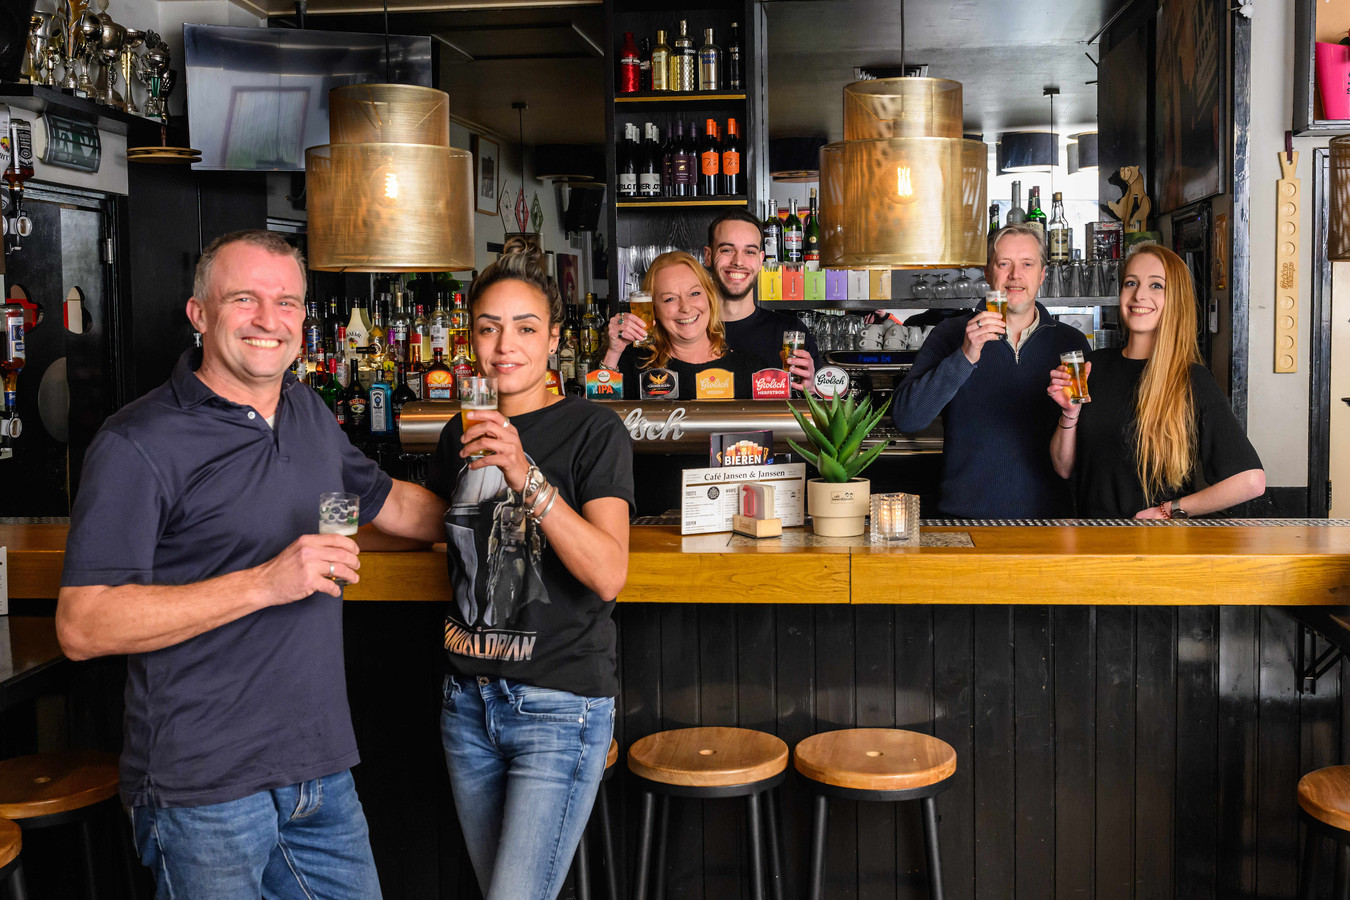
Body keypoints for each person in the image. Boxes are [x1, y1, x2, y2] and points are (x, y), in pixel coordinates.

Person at [56, 230, 449, 897]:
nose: (270, 320)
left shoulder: (306, 413)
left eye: (288, 302)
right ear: (199, 313)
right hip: (204, 790)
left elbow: (387, 509)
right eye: (245, 299)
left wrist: (502, 507)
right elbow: (84, 625)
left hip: (320, 774)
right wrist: (266, 582)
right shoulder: (137, 442)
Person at [425, 237, 634, 900]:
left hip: (558, 703)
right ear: (471, 341)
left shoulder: (595, 431)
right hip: (466, 703)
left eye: (524, 328)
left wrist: (523, 471)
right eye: (488, 328)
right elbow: (435, 523)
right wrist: (326, 506)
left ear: (553, 341)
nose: (504, 344)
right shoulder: (457, 432)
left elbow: (607, 572)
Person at [1048, 244, 1264, 518]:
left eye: (1156, 286)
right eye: (1131, 283)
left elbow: (1250, 481)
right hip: (1092, 541)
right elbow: (1063, 467)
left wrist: (1169, 511)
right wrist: (1070, 413)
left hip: (1157, 547)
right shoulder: (1095, 366)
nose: (1140, 295)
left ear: (1176, 299)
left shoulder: (1190, 379)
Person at [892, 223, 1091, 518]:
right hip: (965, 520)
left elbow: (1084, 447)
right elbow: (906, 418)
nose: (1015, 275)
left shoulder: (1069, 343)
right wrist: (965, 355)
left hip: (1048, 522)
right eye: (1004, 264)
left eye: (1027, 264)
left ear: (1042, 275)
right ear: (987, 273)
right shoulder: (951, 334)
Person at [601, 250, 771, 399]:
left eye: (694, 293)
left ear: (709, 297)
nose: (686, 307)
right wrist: (613, 352)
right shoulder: (635, 365)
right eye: (670, 299)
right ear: (654, 310)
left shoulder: (752, 371)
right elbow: (590, 424)